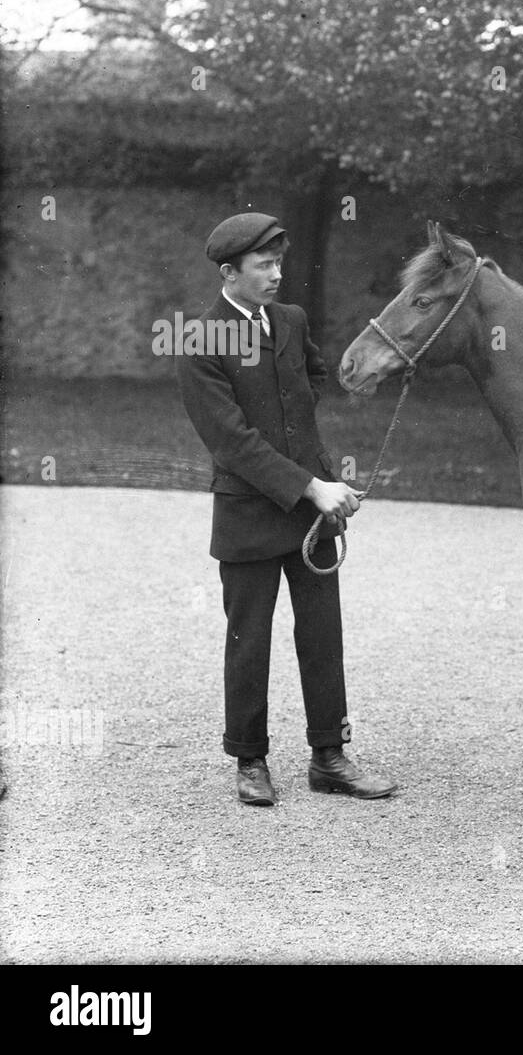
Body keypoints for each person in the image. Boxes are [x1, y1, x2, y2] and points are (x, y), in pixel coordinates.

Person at [176, 212, 396, 805]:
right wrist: (311, 484)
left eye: (279, 263)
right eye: (264, 265)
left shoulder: (291, 322)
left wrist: (313, 465)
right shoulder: (200, 338)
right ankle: (250, 760)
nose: (277, 274)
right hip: (249, 513)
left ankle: (330, 756)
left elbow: (309, 385)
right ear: (229, 272)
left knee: (323, 635)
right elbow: (231, 441)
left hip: (310, 513)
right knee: (250, 638)